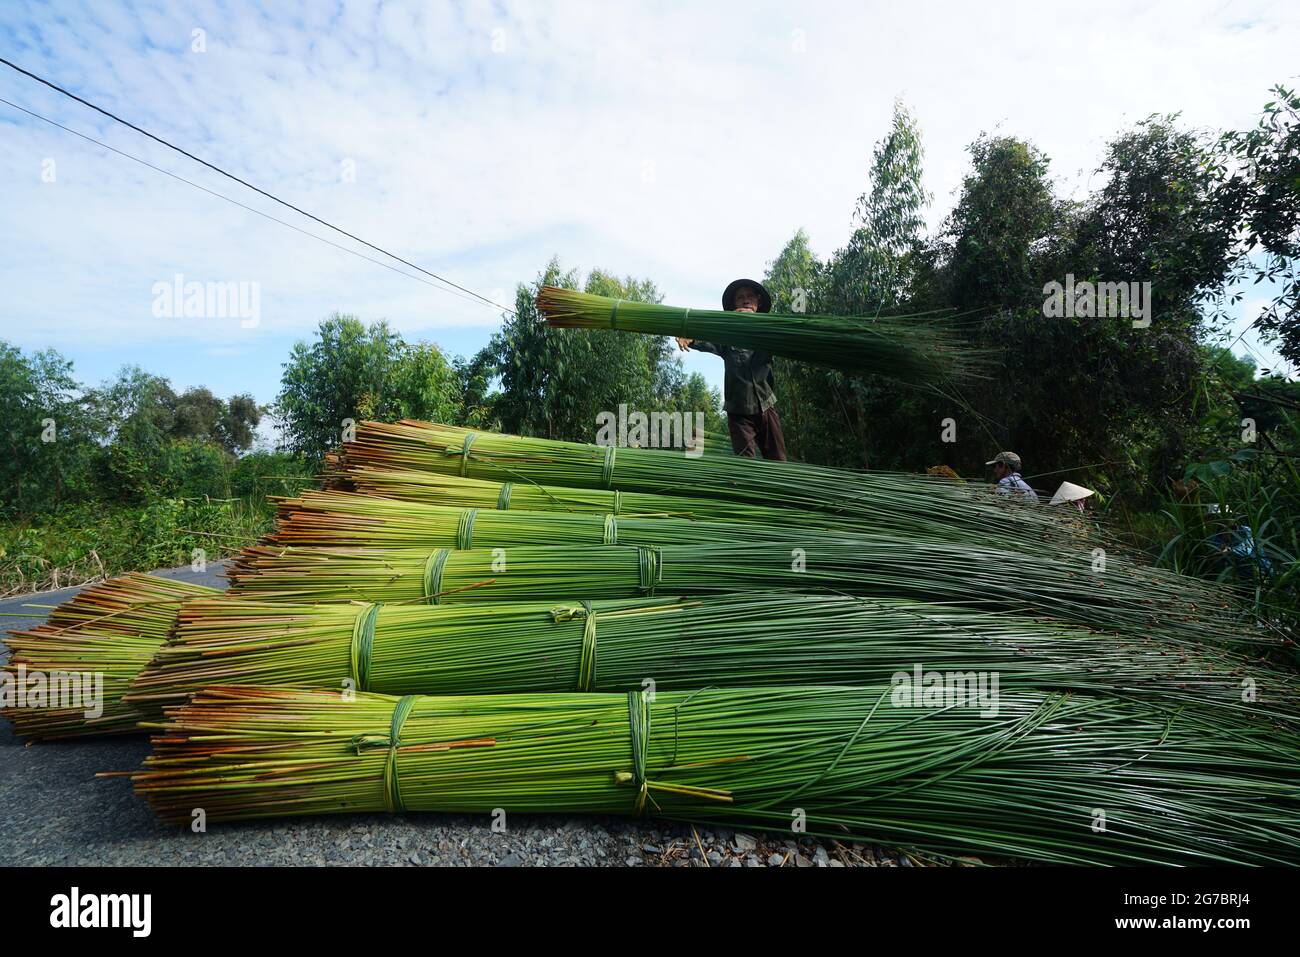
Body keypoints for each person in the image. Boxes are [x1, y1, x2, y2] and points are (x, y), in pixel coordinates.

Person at [676, 278, 787, 461]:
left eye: (750, 296)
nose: (745, 300)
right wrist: (690, 337)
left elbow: (786, 338)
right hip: (739, 413)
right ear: (734, 305)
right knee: (745, 465)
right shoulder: (727, 337)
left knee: (778, 461)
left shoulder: (769, 331)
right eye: (740, 298)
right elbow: (705, 339)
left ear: (758, 302)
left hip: (766, 406)